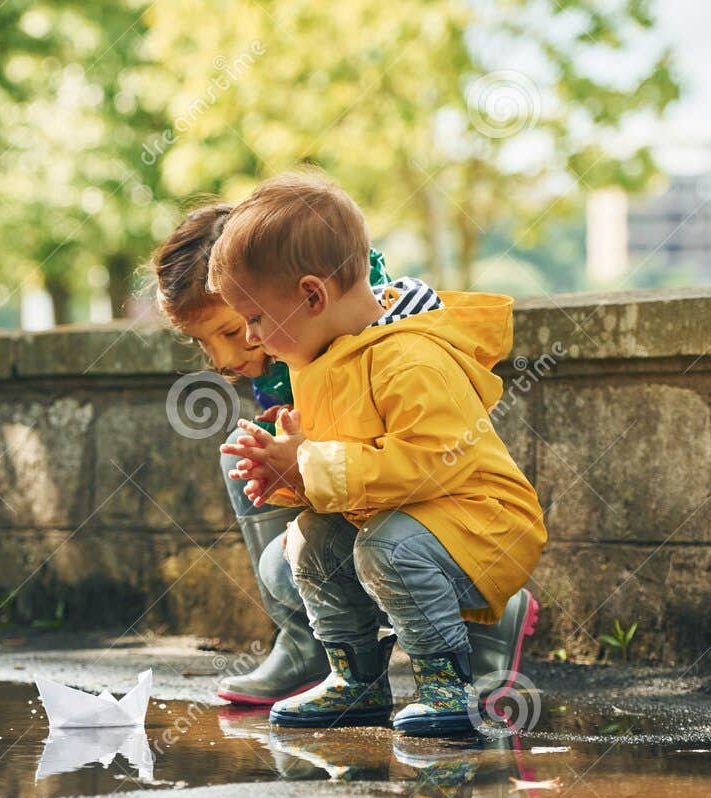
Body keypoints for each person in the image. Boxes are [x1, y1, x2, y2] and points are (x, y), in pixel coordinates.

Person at [212, 171, 545, 736]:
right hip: (415, 523)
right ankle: (357, 680)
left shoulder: (411, 357)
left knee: (386, 548)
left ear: (313, 295)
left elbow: (427, 461)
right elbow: (348, 471)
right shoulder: (324, 362)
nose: (249, 338)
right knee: (312, 538)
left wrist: (309, 463)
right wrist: (286, 472)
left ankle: (446, 687)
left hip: (483, 530)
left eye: (256, 319)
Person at [150, 206, 390, 706]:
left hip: (403, 510)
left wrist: (302, 451)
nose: (222, 360)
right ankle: (306, 639)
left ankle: (468, 633)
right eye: (203, 343)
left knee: (286, 558)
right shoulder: (276, 351)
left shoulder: (364, 324)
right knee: (245, 453)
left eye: (234, 330)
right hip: (344, 504)